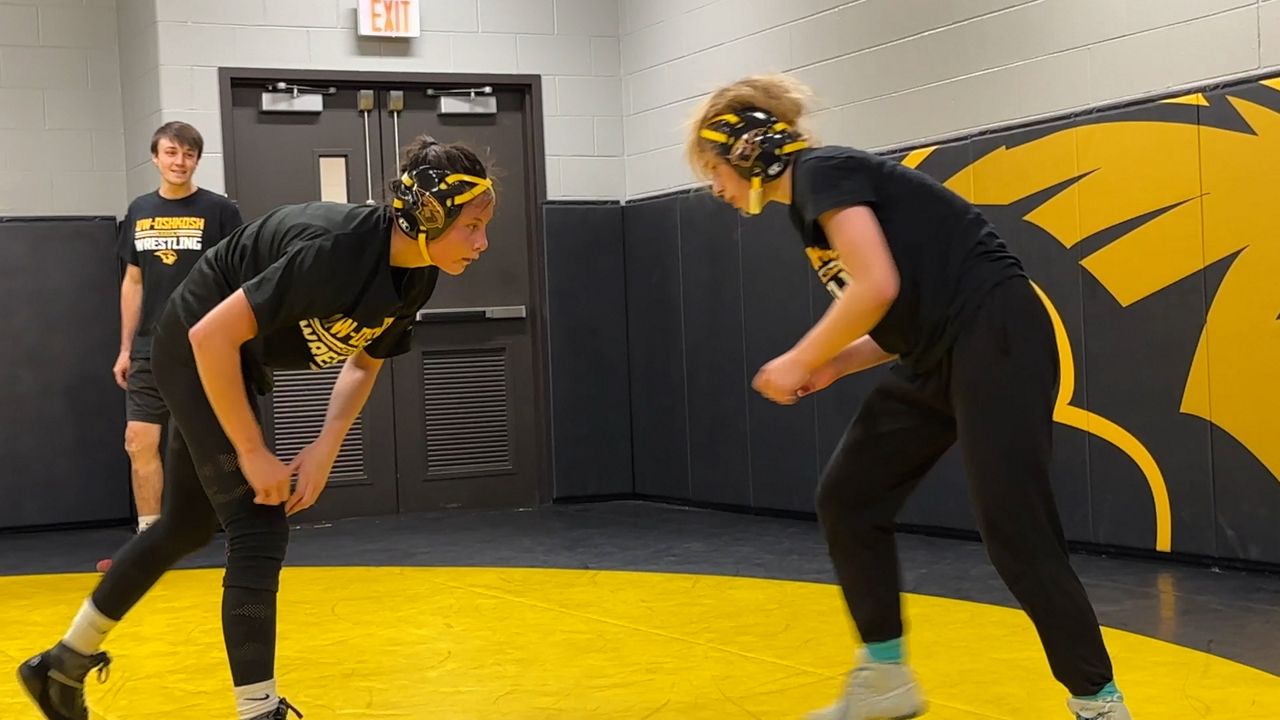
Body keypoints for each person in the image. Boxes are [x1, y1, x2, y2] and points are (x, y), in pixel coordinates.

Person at [686, 75, 1133, 720]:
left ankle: (1099, 702)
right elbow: (898, 315)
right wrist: (835, 365)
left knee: (1015, 529)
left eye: (713, 171)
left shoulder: (823, 174)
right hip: (939, 348)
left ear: (748, 151)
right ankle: (886, 680)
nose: (716, 188)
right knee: (850, 496)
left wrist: (798, 359)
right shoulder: (809, 203)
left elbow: (876, 287)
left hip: (996, 335)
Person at [19, 136, 496, 720]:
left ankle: (60, 665)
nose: (482, 243)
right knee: (259, 523)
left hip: (233, 358)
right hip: (196, 342)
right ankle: (258, 710)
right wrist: (250, 450)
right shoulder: (338, 249)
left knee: (184, 526)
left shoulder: (418, 274)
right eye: (472, 226)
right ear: (428, 214)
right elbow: (208, 337)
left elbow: (365, 360)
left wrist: (325, 445)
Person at [102, 121, 244, 574]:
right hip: (148, 350)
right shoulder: (140, 210)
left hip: (205, 347)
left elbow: (239, 280)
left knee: (215, 442)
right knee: (138, 442)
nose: (179, 161)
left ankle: (239, 534)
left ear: (197, 160)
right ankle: (149, 542)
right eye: (170, 152)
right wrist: (125, 348)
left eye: (187, 154)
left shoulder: (220, 211)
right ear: (156, 157)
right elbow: (134, 282)